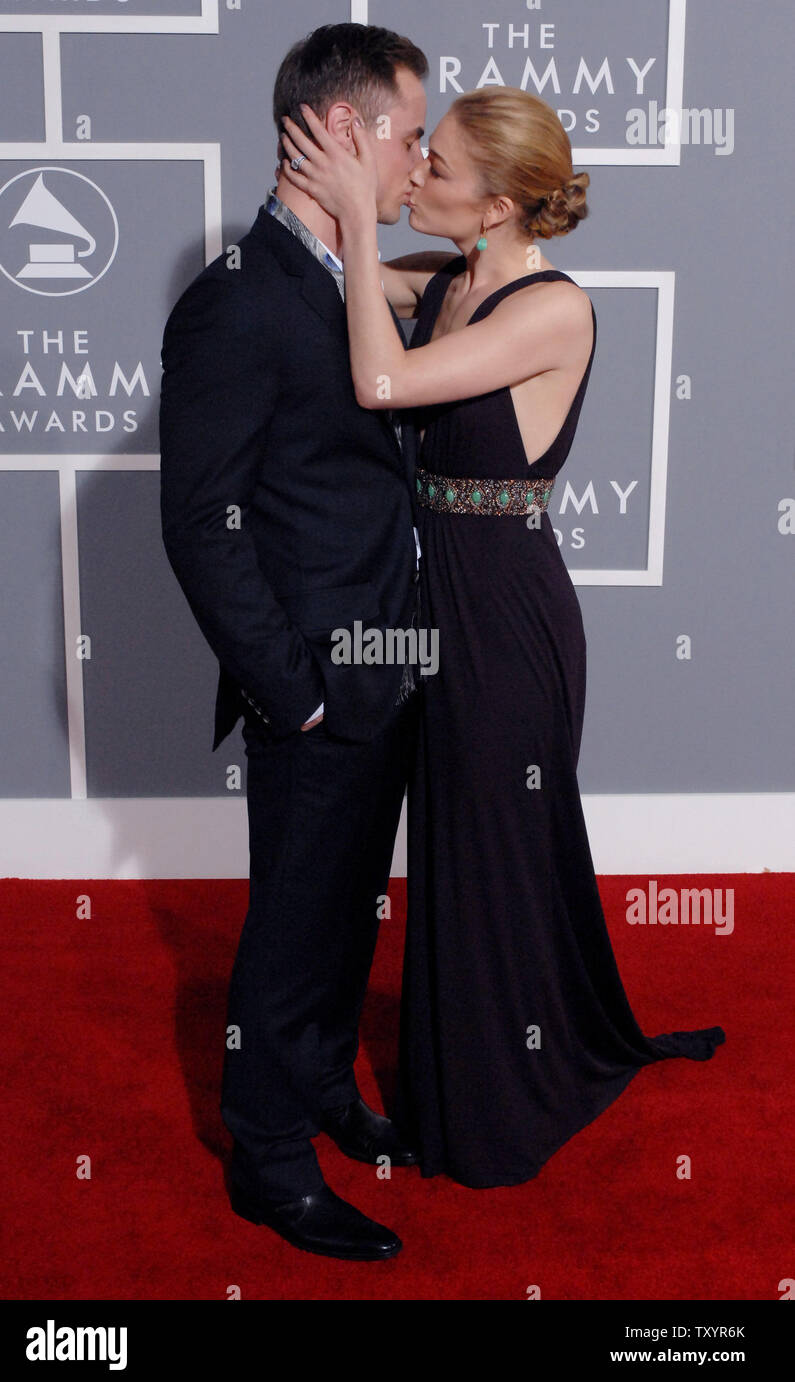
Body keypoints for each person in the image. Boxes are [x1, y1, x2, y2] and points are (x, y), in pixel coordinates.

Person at [279, 84, 726, 1190]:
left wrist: (354, 212)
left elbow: (380, 378)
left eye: (436, 167)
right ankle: (466, 1063)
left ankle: (503, 1101)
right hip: (433, 612)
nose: (415, 174)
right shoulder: (449, 281)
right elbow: (336, 272)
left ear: (498, 205)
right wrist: (342, 182)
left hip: (507, 620)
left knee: (492, 853)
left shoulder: (552, 309)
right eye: (417, 154)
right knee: (451, 845)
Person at [159, 23, 455, 1260]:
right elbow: (200, 523)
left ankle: (328, 1091)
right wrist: (296, 693)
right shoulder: (237, 302)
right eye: (408, 132)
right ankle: (269, 1156)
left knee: (351, 912)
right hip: (319, 684)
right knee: (292, 924)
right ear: (342, 130)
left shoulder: (354, 281)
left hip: (390, 663)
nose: (421, 157)